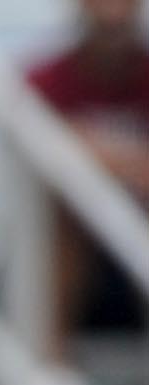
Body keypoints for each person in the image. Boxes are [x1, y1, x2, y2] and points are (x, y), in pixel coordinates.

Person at [27, 0, 149, 357]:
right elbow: (46, 156)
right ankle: (52, 367)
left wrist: (94, 151)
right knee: (66, 215)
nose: (112, 10)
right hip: (76, 247)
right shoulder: (46, 80)